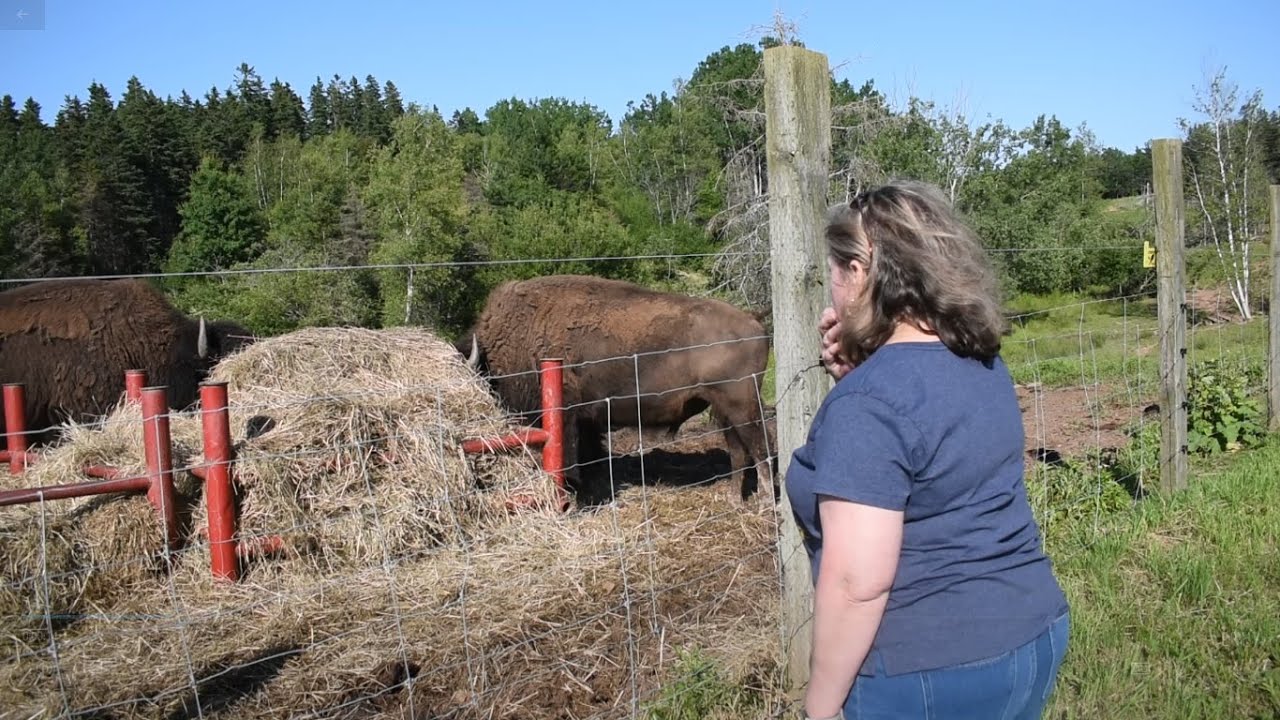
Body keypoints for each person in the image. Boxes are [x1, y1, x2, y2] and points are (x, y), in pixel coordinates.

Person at [787, 180, 1071, 719]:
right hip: (1033, 634)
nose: (832, 295)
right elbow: (929, 450)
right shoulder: (981, 360)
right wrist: (860, 374)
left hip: (925, 675)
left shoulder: (868, 405)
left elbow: (856, 584)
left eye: (835, 275)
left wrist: (819, 707)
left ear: (859, 274)